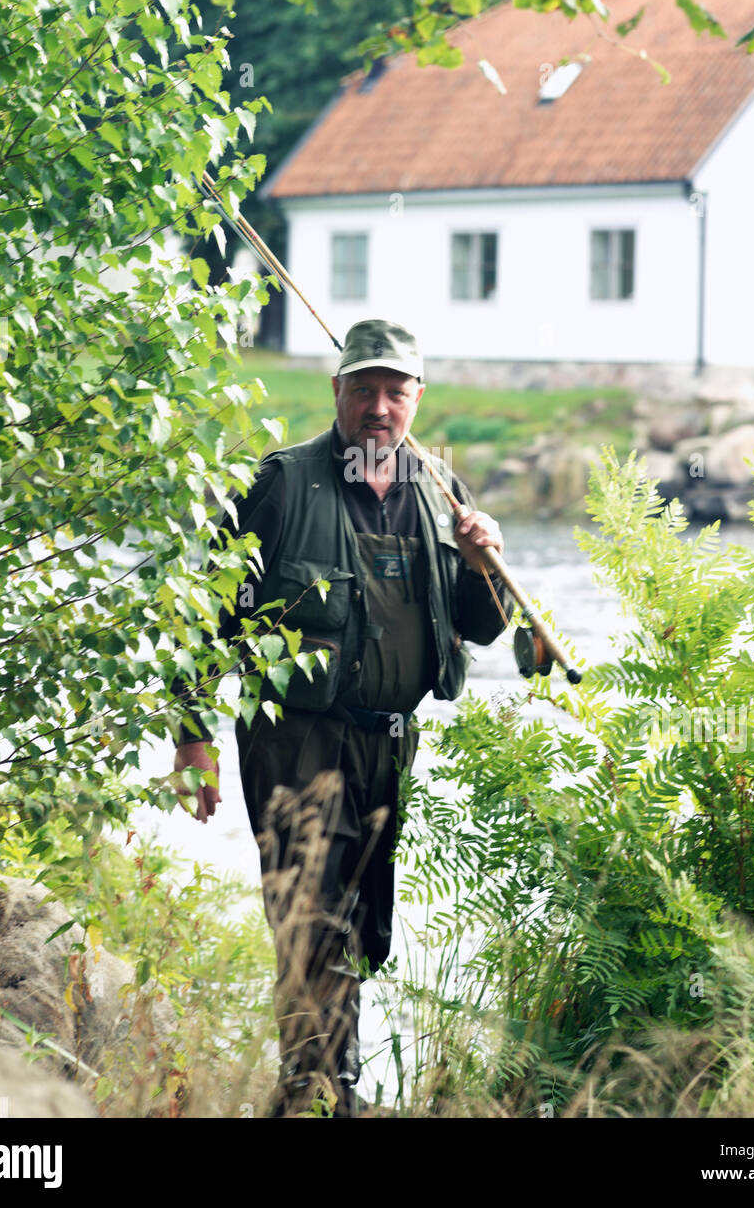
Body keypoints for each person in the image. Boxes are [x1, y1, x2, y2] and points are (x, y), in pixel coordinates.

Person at [170, 319, 512, 1117]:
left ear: (417, 399)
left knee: (361, 921)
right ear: (337, 392)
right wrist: (193, 737)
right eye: (364, 388)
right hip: (295, 737)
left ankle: (331, 1082)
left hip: (389, 744)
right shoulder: (282, 484)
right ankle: (318, 1091)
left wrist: (481, 566)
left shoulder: (442, 490)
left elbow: (483, 626)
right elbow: (201, 613)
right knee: (308, 912)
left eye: (396, 391)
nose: (379, 407)